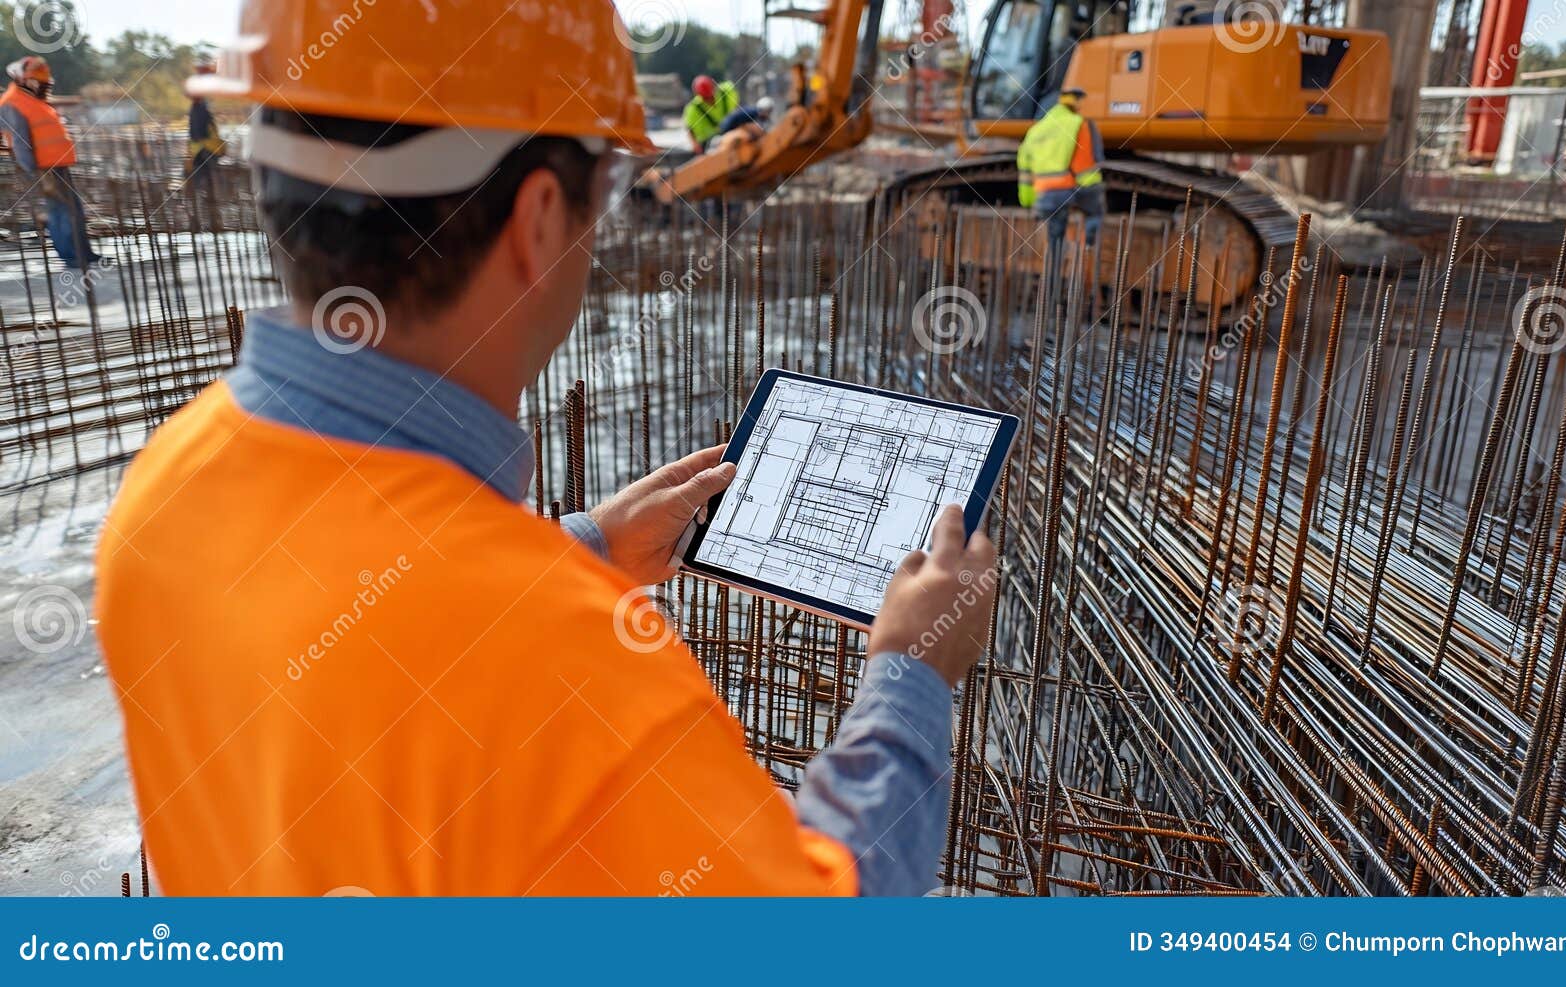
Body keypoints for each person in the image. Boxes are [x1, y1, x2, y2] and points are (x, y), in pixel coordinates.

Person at [96, 0, 996, 897]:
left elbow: (370, 648)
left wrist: (585, 548)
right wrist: (911, 679)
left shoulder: (167, 487)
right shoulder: (574, 672)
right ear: (536, 218)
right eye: (602, 191)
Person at [0, 55, 97, 270]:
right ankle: (71, 257)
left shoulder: (33, 101)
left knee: (74, 210)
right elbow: (19, 141)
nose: (41, 85)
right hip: (42, 168)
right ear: (22, 79)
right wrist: (33, 173)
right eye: (37, 81)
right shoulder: (12, 103)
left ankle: (84, 254)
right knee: (60, 212)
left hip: (57, 164)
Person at [1017, 85, 1105, 251]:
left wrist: (1027, 200)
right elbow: (1086, 163)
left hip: (1045, 193)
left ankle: (1055, 256)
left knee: (1055, 234)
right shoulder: (1079, 124)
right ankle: (1089, 248)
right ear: (1077, 104)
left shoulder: (1036, 130)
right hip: (1068, 189)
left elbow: (1025, 168)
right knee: (1095, 213)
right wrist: (1090, 190)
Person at [185, 55, 227, 210]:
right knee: (205, 179)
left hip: (204, 150)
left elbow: (200, 132)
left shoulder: (200, 108)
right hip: (204, 150)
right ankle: (207, 205)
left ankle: (208, 205)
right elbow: (198, 132)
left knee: (205, 179)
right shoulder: (198, 108)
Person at [683, 74, 739, 152]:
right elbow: (689, 128)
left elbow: (737, 106)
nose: (709, 100)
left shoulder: (726, 92)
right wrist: (694, 143)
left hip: (732, 130)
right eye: (706, 98)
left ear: (714, 88)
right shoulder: (694, 108)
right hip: (712, 141)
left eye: (711, 96)